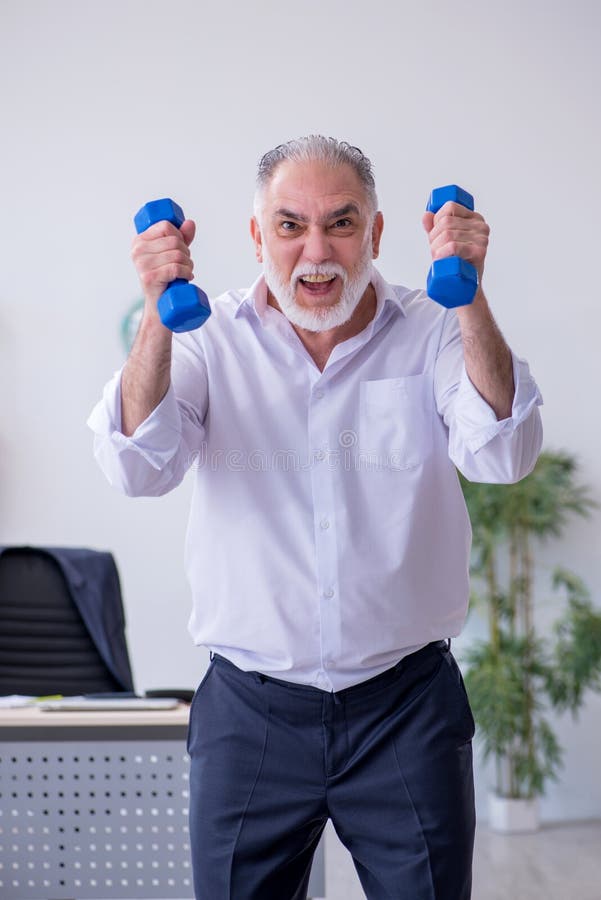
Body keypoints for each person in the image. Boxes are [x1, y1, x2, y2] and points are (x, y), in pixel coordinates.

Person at [88, 135, 543, 900]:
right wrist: (157, 317)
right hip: (249, 712)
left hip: (404, 707)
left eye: (340, 222)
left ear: (375, 232)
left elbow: (502, 452)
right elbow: (139, 467)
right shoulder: (207, 337)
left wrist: (470, 297)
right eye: (291, 225)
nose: (317, 249)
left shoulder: (433, 327)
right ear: (257, 236)